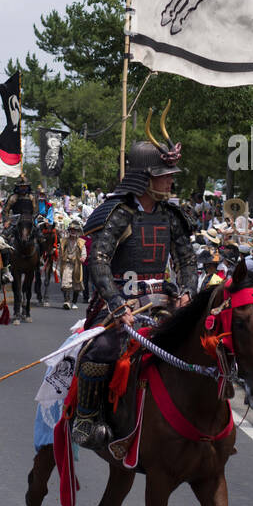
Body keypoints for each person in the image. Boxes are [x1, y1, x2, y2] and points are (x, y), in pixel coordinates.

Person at [72, 125, 196, 450]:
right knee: (98, 352)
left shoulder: (172, 215)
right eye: (164, 175)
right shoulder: (119, 213)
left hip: (165, 300)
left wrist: (187, 293)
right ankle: (87, 416)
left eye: (171, 175)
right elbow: (97, 261)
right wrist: (116, 305)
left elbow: (187, 261)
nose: (171, 180)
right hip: (124, 304)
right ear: (144, 177)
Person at [59, 220, 87, 308]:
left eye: (75, 230)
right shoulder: (64, 241)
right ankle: (67, 301)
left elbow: (84, 252)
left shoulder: (81, 242)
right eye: (71, 230)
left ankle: (74, 302)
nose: (73, 231)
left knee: (77, 284)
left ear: (78, 231)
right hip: (67, 264)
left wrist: (83, 257)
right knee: (65, 282)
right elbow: (60, 252)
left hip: (77, 264)